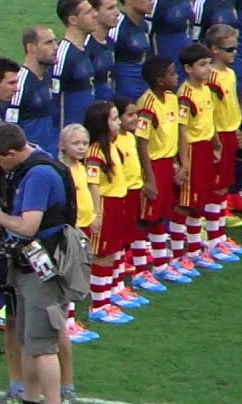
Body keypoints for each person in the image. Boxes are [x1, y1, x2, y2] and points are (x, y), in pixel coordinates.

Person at [0, 122, 74, 404]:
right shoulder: (33, 162)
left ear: (12, 152)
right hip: (32, 264)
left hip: (44, 268)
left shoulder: (37, 175)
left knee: (42, 345)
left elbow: (29, 225)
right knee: (27, 340)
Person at [136, 57, 191, 284]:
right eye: (171, 73)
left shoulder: (171, 99)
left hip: (168, 163)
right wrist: (149, 179)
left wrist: (182, 163)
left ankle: (160, 265)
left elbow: (179, 132)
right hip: (153, 166)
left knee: (161, 214)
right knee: (146, 219)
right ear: (160, 81)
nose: (176, 76)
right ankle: (141, 271)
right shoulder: (146, 106)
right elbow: (142, 143)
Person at [83, 100, 135, 324]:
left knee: (114, 250)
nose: (118, 122)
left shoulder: (112, 144)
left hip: (117, 202)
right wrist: (97, 213)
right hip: (104, 204)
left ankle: (111, 294)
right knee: (102, 255)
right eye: (113, 119)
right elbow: (93, 184)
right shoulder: (95, 151)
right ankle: (99, 305)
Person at [176, 43, 225, 271]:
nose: (207, 69)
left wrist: (215, 141)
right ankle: (178, 254)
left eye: (208, 64)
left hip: (205, 148)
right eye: (202, 65)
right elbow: (182, 130)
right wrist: (184, 162)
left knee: (199, 203)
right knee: (186, 204)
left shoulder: (205, 89)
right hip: (193, 151)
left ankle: (195, 250)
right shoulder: (185, 95)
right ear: (188, 68)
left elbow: (209, 118)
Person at [57, 123, 103, 345]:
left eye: (85, 143)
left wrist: (96, 215)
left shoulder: (83, 167)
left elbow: (93, 190)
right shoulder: (60, 170)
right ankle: (67, 323)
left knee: (80, 271)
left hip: (84, 227)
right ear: (63, 145)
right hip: (70, 231)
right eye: (76, 143)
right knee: (70, 275)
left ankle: (71, 321)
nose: (82, 147)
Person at [111, 96, 159, 302]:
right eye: (130, 115)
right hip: (121, 195)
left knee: (134, 233)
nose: (135, 118)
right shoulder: (113, 143)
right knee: (118, 242)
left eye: (136, 114)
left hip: (134, 192)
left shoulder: (130, 137)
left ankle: (131, 278)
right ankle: (114, 286)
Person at [206, 23, 242, 261]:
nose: (234, 53)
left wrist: (240, 128)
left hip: (231, 132)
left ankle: (219, 237)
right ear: (214, 50)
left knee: (224, 187)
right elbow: (208, 112)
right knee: (217, 187)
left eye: (235, 48)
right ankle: (212, 241)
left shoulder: (230, 74)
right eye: (229, 49)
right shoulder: (211, 78)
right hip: (218, 136)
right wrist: (215, 141)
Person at [0, 26, 59, 155]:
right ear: (31, 48)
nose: (55, 47)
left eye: (55, 41)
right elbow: (9, 129)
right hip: (32, 160)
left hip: (51, 154)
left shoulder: (47, 77)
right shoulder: (19, 84)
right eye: (48, 43)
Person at [53, 0, 101, 128]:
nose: (95, 14)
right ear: (73, 20)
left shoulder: (85, 49)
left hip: (85, 131)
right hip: (71, 134)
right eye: (88, 12)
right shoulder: (62, 54)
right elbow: (55, 98)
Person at [110, 0, 154, 104]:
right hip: (125, 100)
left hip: (144, 94)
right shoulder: (117, 27)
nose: (151, 1)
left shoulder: (144, 25)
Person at [152, 0, 196, 75]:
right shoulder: (156, 3)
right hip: (168, 53)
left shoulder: (188, 3)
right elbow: (149, 32)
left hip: (186, 54)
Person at [87, 0, 118, 101]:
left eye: (116, 7)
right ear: (94, 12)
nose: (117, 13)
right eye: (110, 8)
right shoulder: (86, 46)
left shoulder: (110, 42)